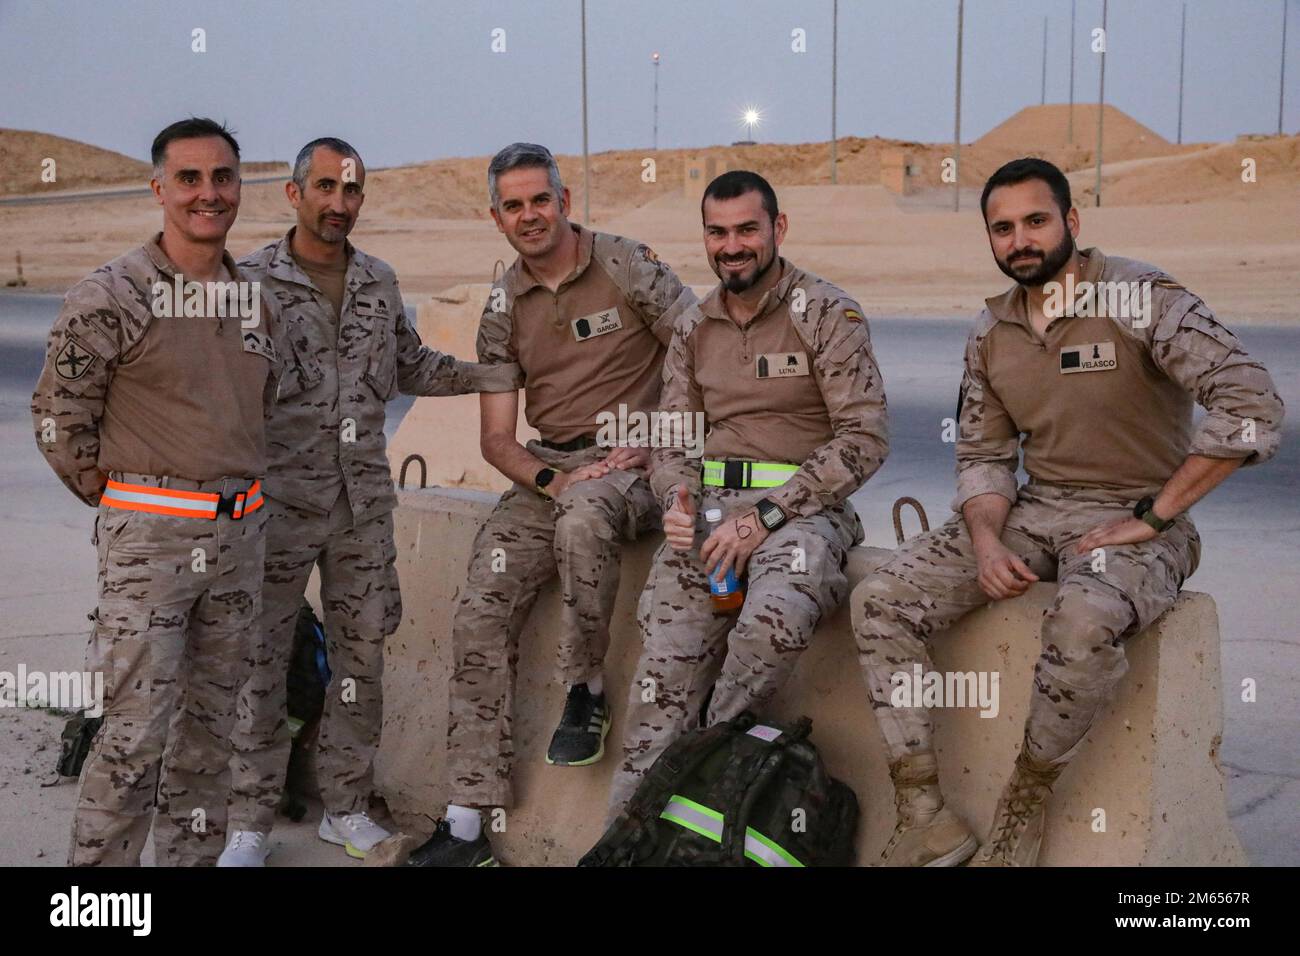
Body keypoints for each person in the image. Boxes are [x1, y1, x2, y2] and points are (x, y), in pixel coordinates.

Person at [852, 157, 1284, 867]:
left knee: (1081, 627)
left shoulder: (1140, 298)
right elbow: (985, 457)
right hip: (1034, 509)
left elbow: (1252, 406)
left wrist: (1156, 514)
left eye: (1035, 221)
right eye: (1003, 228)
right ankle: (925, 811)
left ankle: (1027, 797)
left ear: (1071, 223)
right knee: (880, 601)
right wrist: (988, 543)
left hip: (1136, 517)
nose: (1020, 239)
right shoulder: (991, 332)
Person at [220, 138, 520, 865]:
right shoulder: (250, 280)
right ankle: (248, 822)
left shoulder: (378, 281)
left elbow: (410, 363)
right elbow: (216, 390)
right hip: (275, 506)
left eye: (351, 191)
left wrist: (496, 374)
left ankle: (346, 807)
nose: (339, 204)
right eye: (325, 188)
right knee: (259, 662)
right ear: (294, 194)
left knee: (362, 662)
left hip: (361, 509)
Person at [406, 142, 695, 867]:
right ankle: (466, 824)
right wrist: (550, 480)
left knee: (587, 516)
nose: (530, 215)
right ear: (496, 217)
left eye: (542, 199)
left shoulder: (627, 264)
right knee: (479, 611)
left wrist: (657, 436)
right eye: (514, 205)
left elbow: (704, 348)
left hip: (637, 460)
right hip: (551, 467)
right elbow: (499, 440)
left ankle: (585, 688)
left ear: (565, 201)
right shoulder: (502, 304)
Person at [606, 170, 889, 816]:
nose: (732, 246)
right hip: (708, 515)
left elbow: (865, 437)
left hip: (802, 515)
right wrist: (675, 496)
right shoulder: (694, 328)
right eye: (717, 232)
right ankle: (621, 843)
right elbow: (675, 436)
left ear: (776, 230)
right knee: (657, 688)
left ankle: (709, 751)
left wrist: (767, 516)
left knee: (775, 620)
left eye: (746, 230)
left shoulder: (825, 314)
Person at [32, 118, 275, 865]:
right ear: (160, 189)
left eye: (223, 177)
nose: (210, 194)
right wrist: (123, 501)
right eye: (191, 179)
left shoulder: (256, 300)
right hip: (152, 546)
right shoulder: (112, 294)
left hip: (239, 543)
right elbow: (55, 419)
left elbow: (267, 409)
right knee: (134, 736)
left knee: (209, 739)